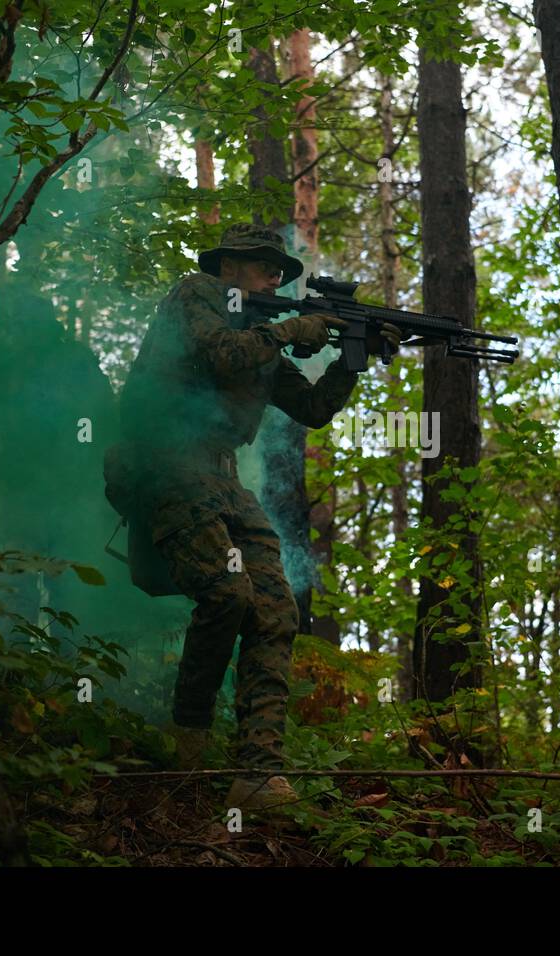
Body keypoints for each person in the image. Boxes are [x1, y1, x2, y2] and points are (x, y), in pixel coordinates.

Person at [114, 223, 399, 810]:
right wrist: (297, 327)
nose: (277, 276)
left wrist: (356, 354)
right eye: (266, 266)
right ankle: (188, 737)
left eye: (280, 269)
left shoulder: (262, 340)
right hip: (165, 461)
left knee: (275, 609)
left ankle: (260, 773)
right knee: (226, 593)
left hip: (220, 474)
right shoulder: (197, 293)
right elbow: (222, 354)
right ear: (229, 268)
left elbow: (315, 409)